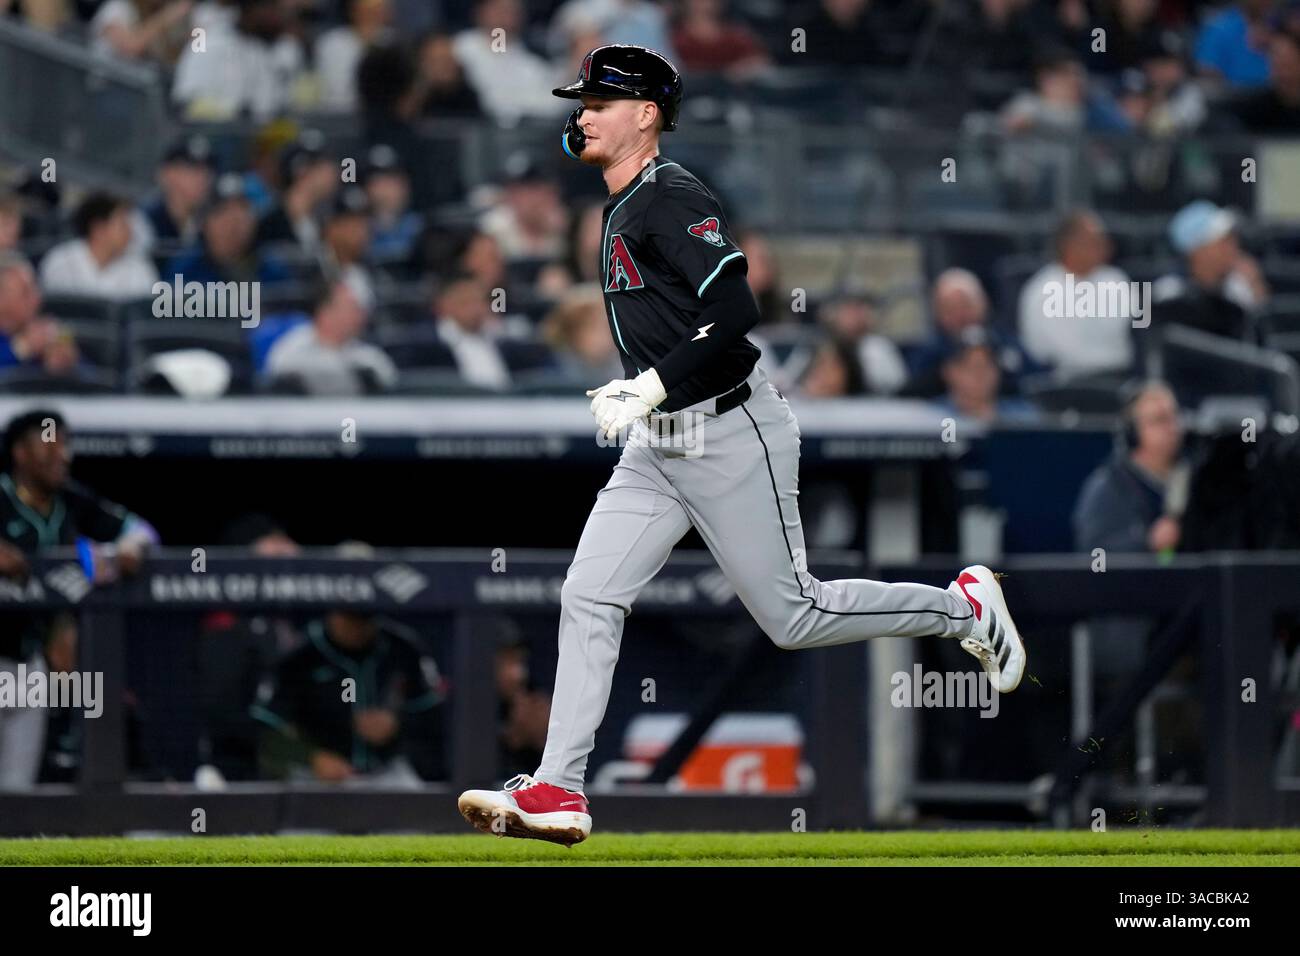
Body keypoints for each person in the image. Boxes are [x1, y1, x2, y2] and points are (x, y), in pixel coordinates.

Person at [456, 44, 1028, 846]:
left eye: (597, 100)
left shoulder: (668, 193)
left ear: (646, 115)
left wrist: (652, 383)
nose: (580, 112)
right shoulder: (620, 203)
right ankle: (560, 787)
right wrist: (651, 397)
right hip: (658, 448)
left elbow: (736, 309)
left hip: (731, 429)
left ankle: (960, 607)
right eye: (579, 99)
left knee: (793, 616)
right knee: (589, 594)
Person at [0, 409, 157, 790]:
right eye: (50, 446)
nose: (63, 456)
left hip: (28, 661)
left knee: (16, 793)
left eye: (66, 445)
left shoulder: (70, 501)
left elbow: (143, 531)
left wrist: (127, 547)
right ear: (20, 453)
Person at [251, 589, 447, 784]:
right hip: (317, 774)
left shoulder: (401, 647)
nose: (357, 627)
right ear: (332, 614)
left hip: (386, 769)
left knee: (420, 801)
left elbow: (432, 712)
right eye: (349, 618)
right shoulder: (300, 654)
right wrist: (311, 757)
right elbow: (267, 723)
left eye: (364, 619)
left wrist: (397, 722)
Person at [1018, 209, 1135, 381]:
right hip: (1064, 381)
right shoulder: (1042, 289)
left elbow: (1134, 332)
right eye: (1094, 242)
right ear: (1069, 246)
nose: (1105, 248)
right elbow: (1054, 352)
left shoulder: (1117, 279)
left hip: (1119, 378)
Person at [264, 277, 397, 395]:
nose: (359, 316)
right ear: (325, 310)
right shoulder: (290, 351)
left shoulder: (369, 357)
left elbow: (390, 387)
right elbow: (273, 389)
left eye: (359, 310)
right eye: (351, 308)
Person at [38, 192, 159, 300]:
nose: (130, 232)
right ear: (99, 229)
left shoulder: (141, 269)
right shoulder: (60, 262)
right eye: (122, 224)